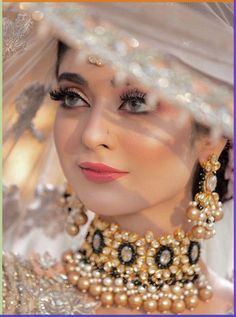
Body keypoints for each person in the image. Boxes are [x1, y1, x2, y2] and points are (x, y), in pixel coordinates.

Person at [3, 2, 234, 315]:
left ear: (211, 137)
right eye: (72, 97)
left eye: (136, 103)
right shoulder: (13, 296)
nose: (92, 134)